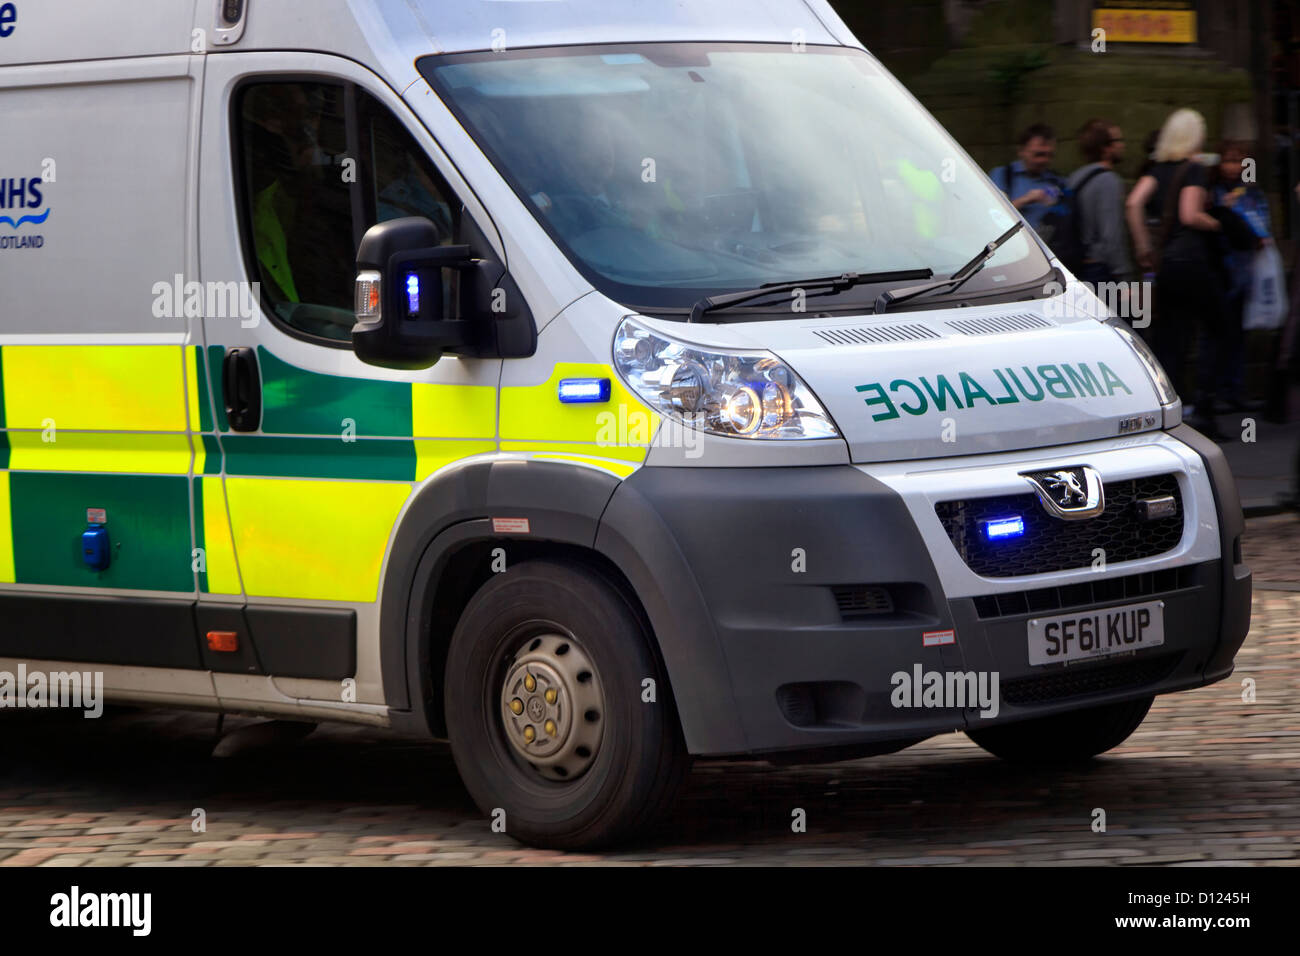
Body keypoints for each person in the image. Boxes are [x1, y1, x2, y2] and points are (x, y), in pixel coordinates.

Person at [1125, 108, 1227, 439]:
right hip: (1193, 262)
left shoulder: (1158, 169)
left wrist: (1143, 248)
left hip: (1165, 266)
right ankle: (1206, 409)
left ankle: (1171, 412)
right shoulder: (1194, 168)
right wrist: (1216, 222)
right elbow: (1189, 215)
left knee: (1171, 338)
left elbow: (1133, 203)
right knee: (1218, 328)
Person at [1210, 141, 1272, 411]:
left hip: (1245, 269)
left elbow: (1262, 225)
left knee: (1238, 333)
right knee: (1219, 332)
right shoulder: (1213, 191)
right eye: (1228, 160)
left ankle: (1235, 388)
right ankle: (1218, 390)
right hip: (1222, 268)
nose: (1233, 167)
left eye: (1239, 161)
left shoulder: (1252, 193)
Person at [1067, 118, 1132, 284]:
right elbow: (1111, 236)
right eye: (1118, 141)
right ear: (1105, 148)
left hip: (1077, 267)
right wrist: (1124, 277)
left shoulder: (1074, 178)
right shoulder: (1108, 180)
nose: (1122, 145)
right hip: (1100, 270)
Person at [989, 123, 1066, 235]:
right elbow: (993, 215)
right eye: (1039, 154)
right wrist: (1025, 200)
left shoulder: (1058, 181)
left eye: (1050, 155)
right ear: (1021, 151)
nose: (1044, 160)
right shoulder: (1003, 175)